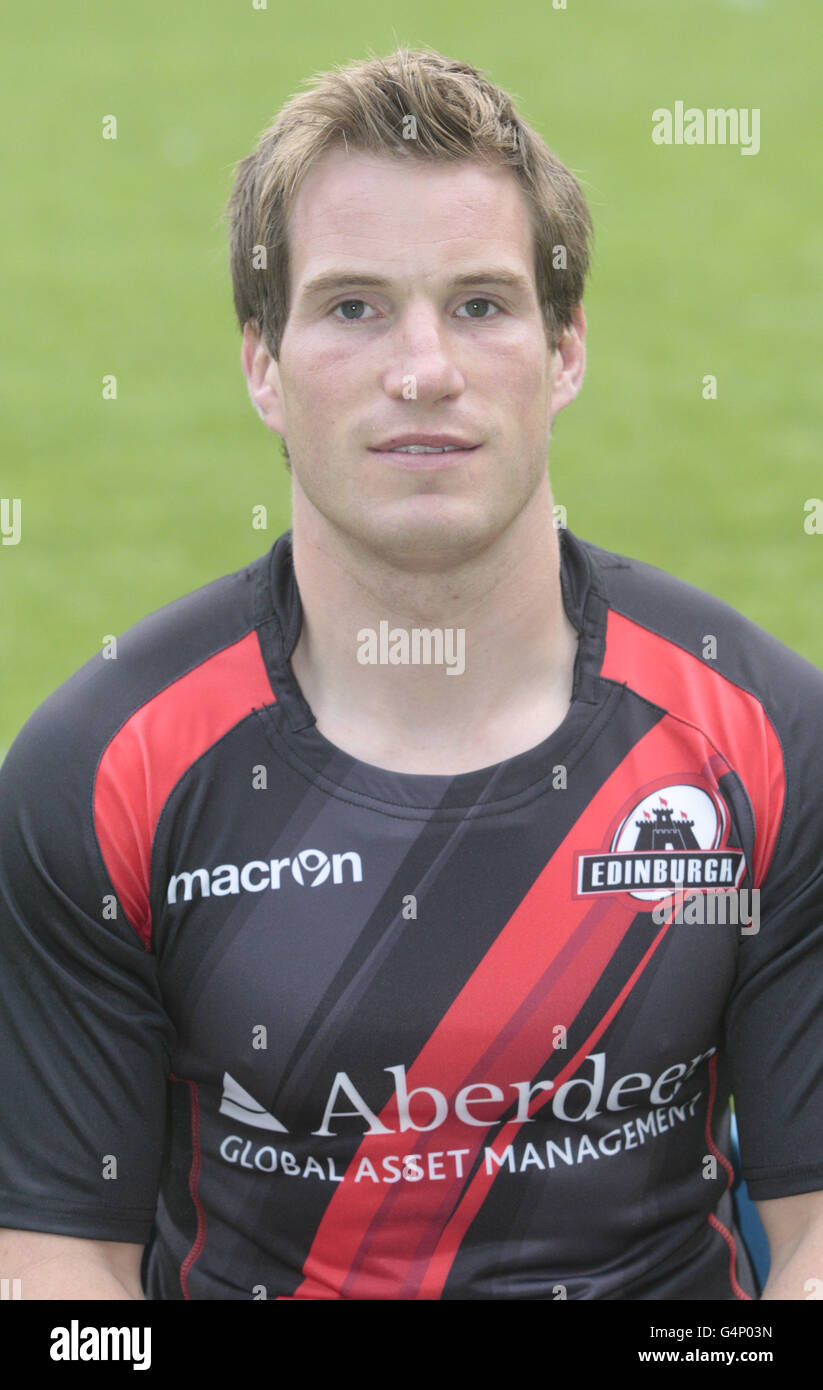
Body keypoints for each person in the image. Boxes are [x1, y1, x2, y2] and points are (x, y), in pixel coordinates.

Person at [1, 46, 822, 1302]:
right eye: (352, 307)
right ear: (262, 364)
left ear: (566, 350)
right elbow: (58, 1266)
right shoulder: (103, 774)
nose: (423, 368)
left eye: (482, 304)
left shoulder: (765, 737)